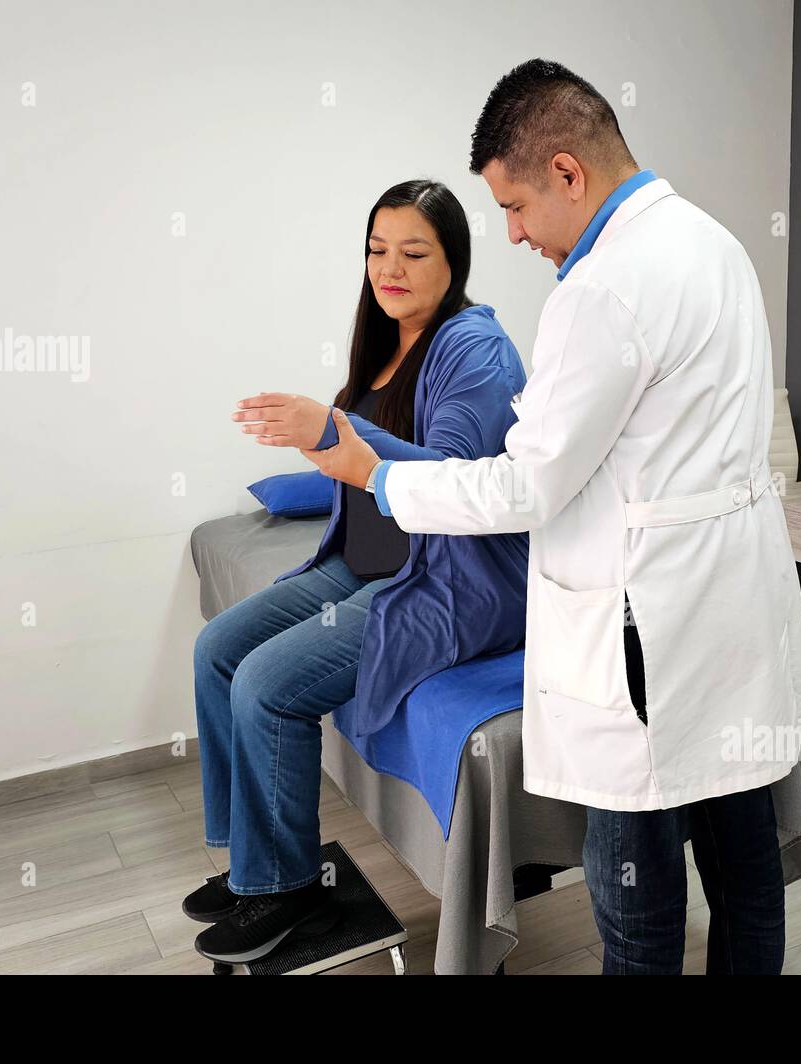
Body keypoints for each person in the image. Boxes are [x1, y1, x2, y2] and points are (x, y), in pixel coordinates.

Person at [303, 60, 801, 975]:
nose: (512, 233)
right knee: (745, 869)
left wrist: (374, 475)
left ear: (569, 174)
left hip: (642, 643)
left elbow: (521, 486)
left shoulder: (602, 290)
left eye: (514, 207)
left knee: (636, 900)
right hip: (733, 613)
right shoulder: (716, 243)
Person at [186, 179, 528, 965]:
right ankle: (250, 865)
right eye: (377, 251)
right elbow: (356, 469)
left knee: (266, 684)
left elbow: (451, 478)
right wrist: (321, 443)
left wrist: (335, 429)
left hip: (443, 577)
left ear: (455, 261)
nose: (390, 269)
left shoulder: (474, 347)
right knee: (217, 651)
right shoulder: (381, 340)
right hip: (359, 565)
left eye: (414, 252)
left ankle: (288, 891)